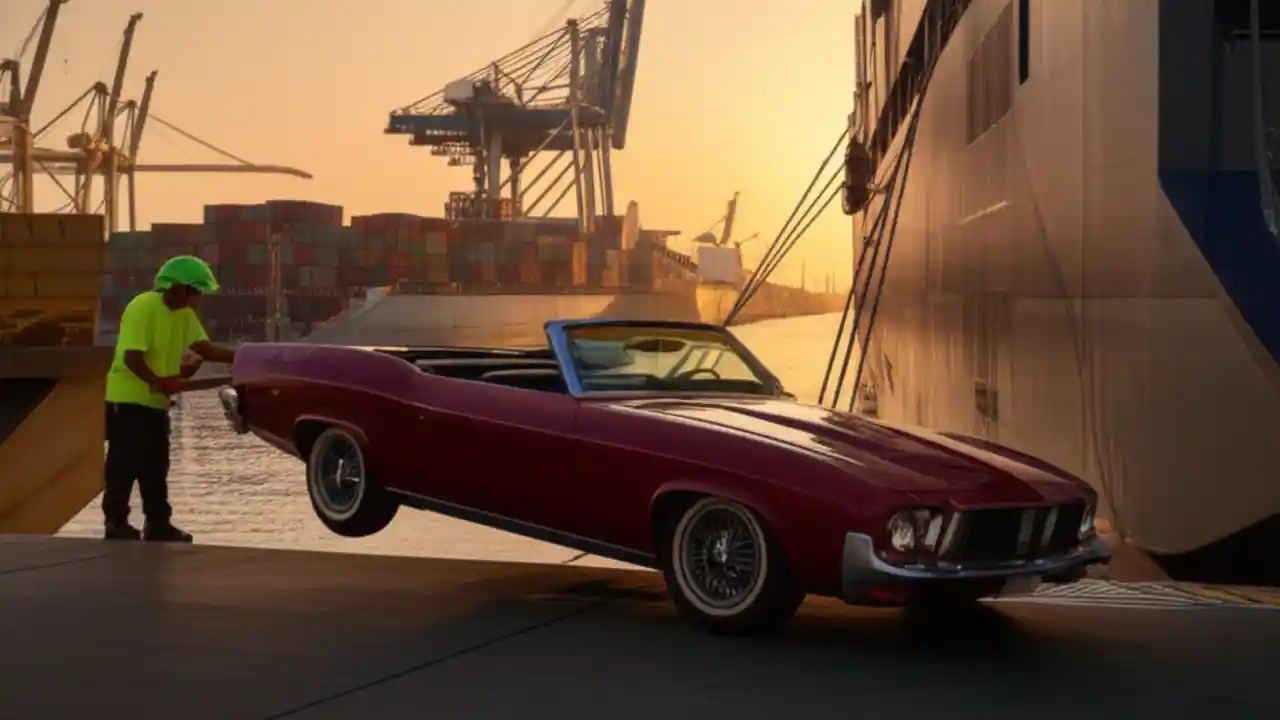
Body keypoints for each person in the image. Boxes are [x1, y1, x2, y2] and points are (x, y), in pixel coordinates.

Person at [102, 255, 237, 542]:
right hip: (126, 400)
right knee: (123, 464)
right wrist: (161, 381)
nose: (198, 299)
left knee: (156, 465)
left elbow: (204, 348)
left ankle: (157, 523)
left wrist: (244, 357)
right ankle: (116, 523)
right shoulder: (142, 307)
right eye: (196, 292)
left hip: (155, 401)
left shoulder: (184, 315)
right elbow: (132, 357)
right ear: (177, 287)